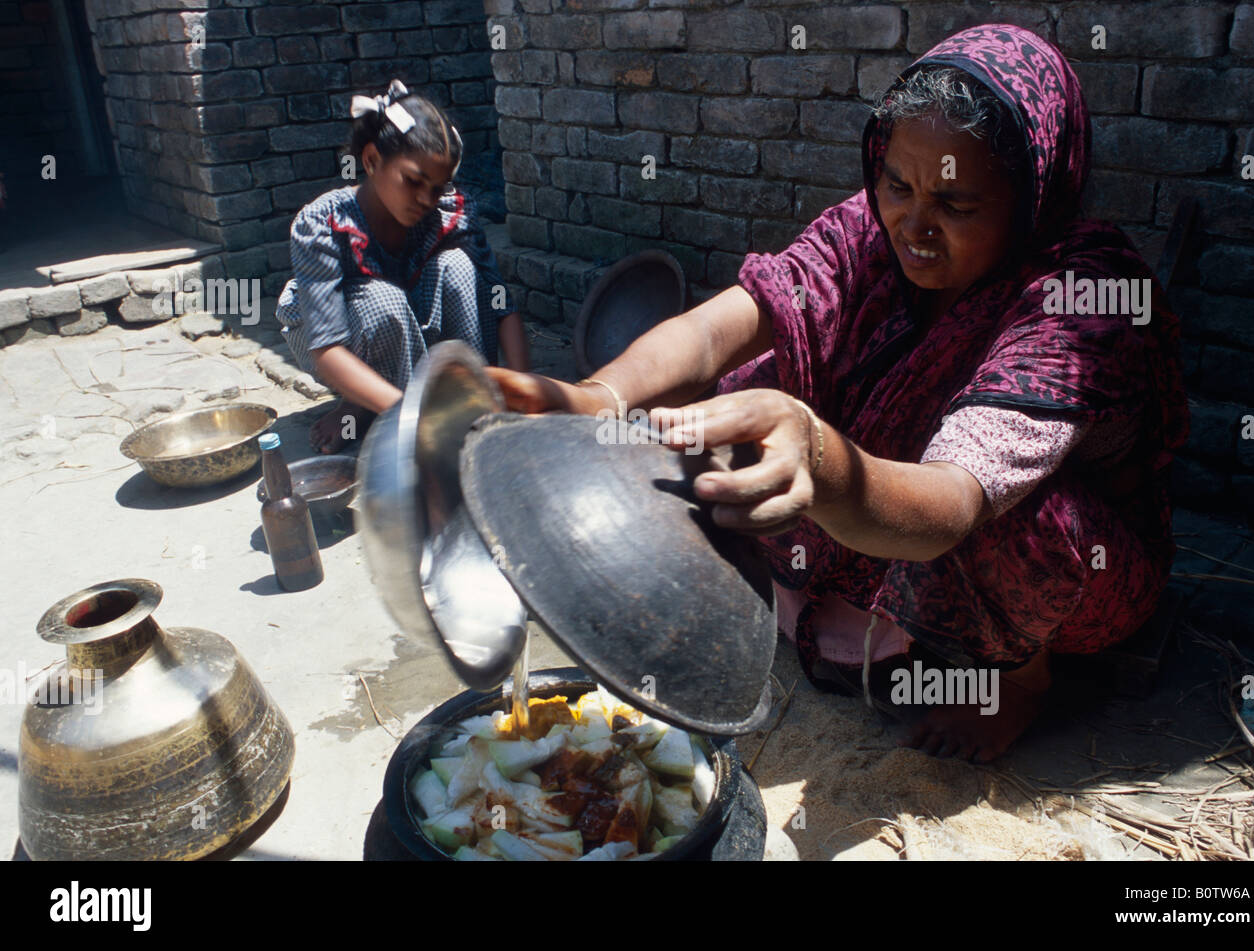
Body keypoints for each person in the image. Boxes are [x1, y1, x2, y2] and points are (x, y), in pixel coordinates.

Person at [485, 25, 1189, 762]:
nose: (915, 225)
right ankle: (836, 598)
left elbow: (954, 501)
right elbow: (720, 330)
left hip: (1069, 555)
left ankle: (1019, 684)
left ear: (1034, 195)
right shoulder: (867, 231)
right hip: (904, 484)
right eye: (898, 185)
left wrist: (818, 457)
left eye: (957, 203)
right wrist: (600, 395)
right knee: (747, 392)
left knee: (1016, 514)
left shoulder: (1082, 296)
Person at [277, 80, 529, 452]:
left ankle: (472, 400)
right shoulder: (323, 223)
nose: (426, 199)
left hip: (413, 320)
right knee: (382, 300)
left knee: (460, 266)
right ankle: (367, 406)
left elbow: (500, 304)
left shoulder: (449, 211)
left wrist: (524, 391)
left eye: (438, 187)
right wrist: (412, 417)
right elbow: (327, 351)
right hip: (342, 338)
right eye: (413, 182)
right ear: (372, 160)